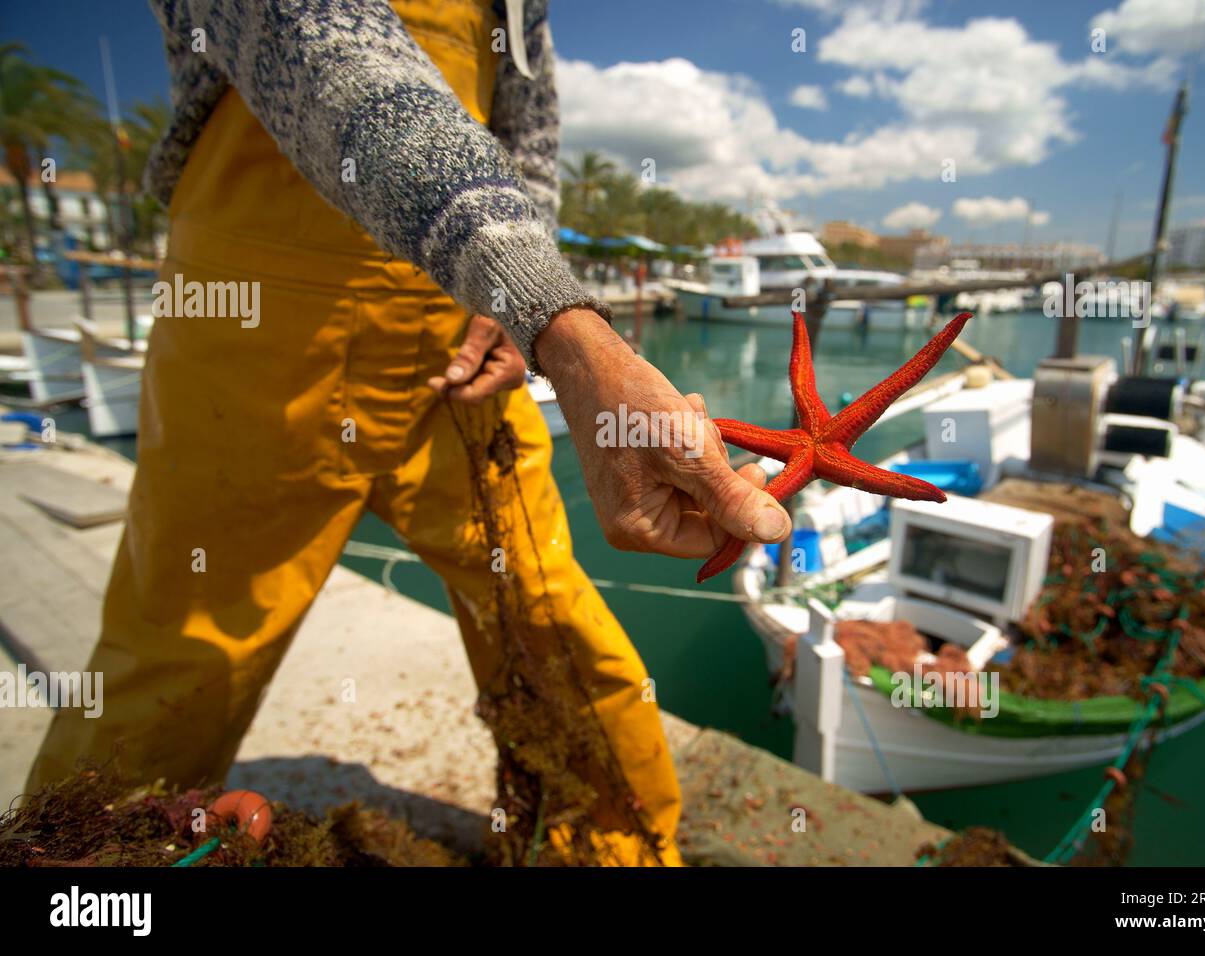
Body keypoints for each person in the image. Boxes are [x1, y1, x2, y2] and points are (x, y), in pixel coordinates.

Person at [25, 0, 791, 865]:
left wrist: (512, 306)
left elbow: (526, 132)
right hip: (252, 319)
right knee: (185, 645)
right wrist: (557, 320)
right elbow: (323, 56)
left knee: (548, 613)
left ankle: (614, 846)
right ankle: (84, 882)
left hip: (461, 333)